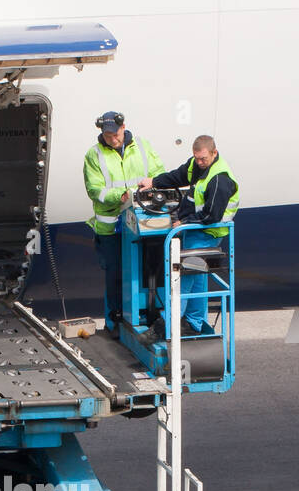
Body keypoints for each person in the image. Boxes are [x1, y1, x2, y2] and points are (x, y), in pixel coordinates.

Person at [152, 136, 239, 334]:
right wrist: (154, 182)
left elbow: (211, 215)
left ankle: (168, 324)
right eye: (196, 158)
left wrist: (184, 222)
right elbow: (179, 176)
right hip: (194, 232)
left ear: (214, 153)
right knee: (198, 277)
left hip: (206, 234)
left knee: (184, 276)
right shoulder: (197, 165)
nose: (199, 162)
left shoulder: (220, 179)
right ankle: (195, 322)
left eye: (203, 159)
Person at [83, 111, 164, 324]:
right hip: (111, 228)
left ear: (124, 127)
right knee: (116, 274)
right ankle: (116, 317)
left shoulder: (142, 146)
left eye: (116, 134)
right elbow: (95, 191)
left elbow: (158, 173)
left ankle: (150, 313)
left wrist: (152, 183)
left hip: (142, 222)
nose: (113, 139)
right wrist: (121, 196)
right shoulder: (95, 155)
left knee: (149, 270)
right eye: (108, 136)